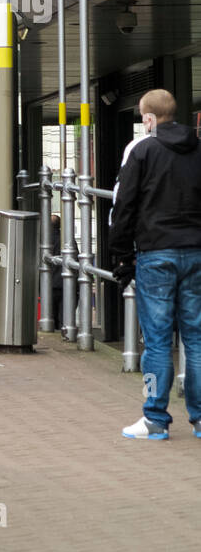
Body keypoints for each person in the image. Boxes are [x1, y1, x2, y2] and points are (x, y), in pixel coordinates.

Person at [108, 89, 201, 440]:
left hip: (155, 254)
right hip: (196, 253)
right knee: (197, 338)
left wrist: (121, 255)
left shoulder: (143, 151)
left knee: (158, 341)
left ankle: (155, 419)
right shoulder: (199, 150)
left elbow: (124, 206)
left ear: (148, 118)